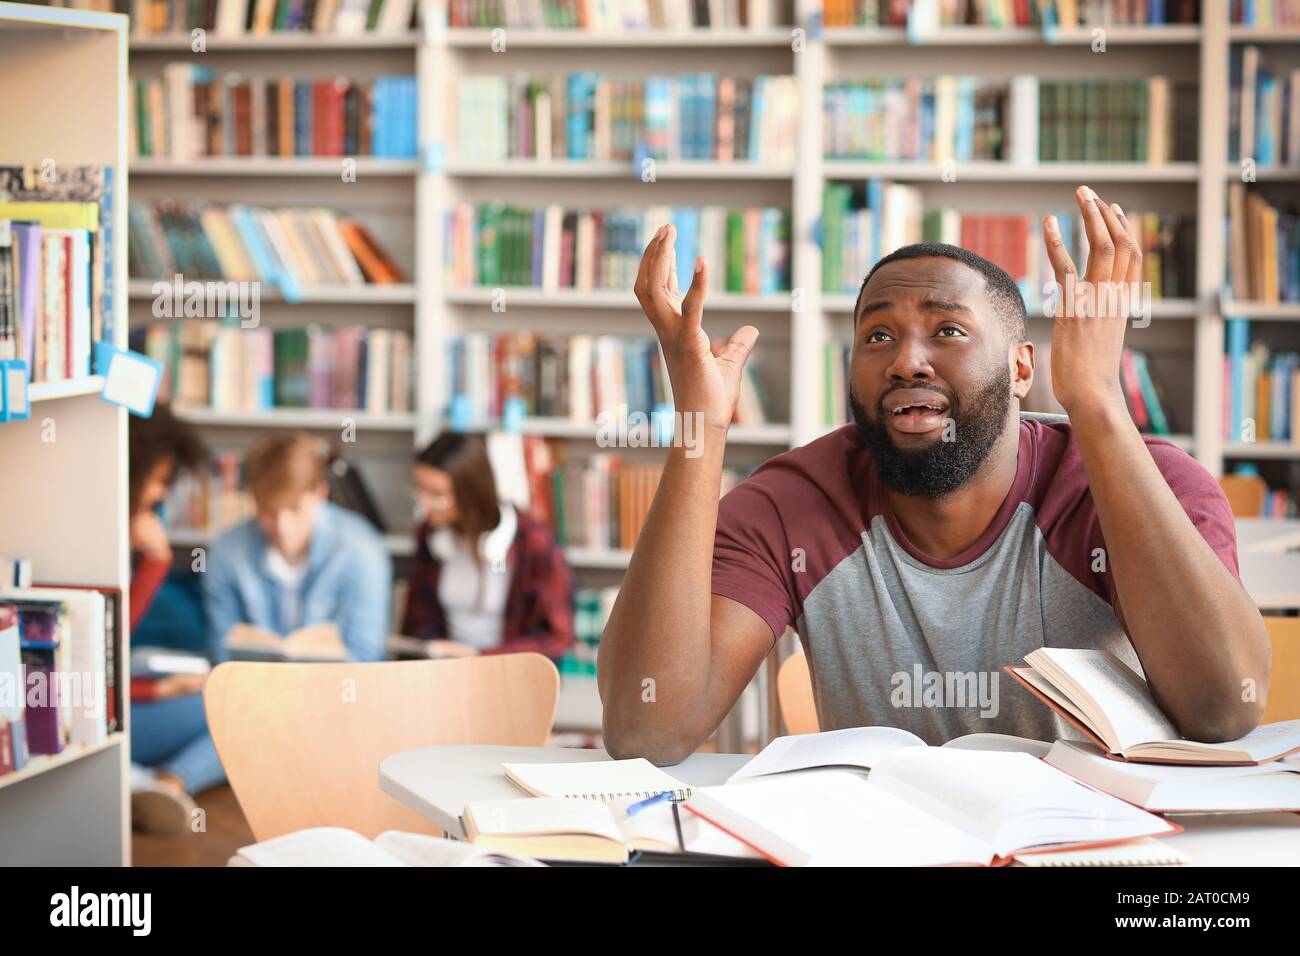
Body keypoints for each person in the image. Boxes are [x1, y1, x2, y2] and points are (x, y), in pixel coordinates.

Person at [598, 186, 1272, 765]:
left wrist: (1095, 399)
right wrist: (699, 434)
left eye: (947, 331)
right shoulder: (791, 504)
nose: (906, 362)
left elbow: (1222, 708)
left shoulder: (1140, 480)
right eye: (877, 336)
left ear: (1020, 369)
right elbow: (646, 728)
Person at [203, 432, 391, 663]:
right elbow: (223, 653)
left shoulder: (362, 550)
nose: (283, 526)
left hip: (336, 694)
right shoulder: (226, 551)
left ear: (320, 493)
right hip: (254, 693)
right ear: (253, 499)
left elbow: (364, 656)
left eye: (294, 509)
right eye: (268, 511)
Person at [127, 403, 226, 835]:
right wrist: (156, 690)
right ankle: (166, 784)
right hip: (102, 701)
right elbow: (90, 677)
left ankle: (155, 783)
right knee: (236, 713)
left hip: (113, 686)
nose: (161, 494)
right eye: (160, 480)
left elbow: (105, 655)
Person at [401, 432, 575, 661]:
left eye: (437, 494)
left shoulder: (533, 542)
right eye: (420, 490)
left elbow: (557, 637)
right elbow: (418, 621)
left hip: (509, 676)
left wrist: (479, 657)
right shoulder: (430, 535)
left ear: (470, 492)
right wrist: (434, 648)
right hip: (445, 675)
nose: (424, 504)